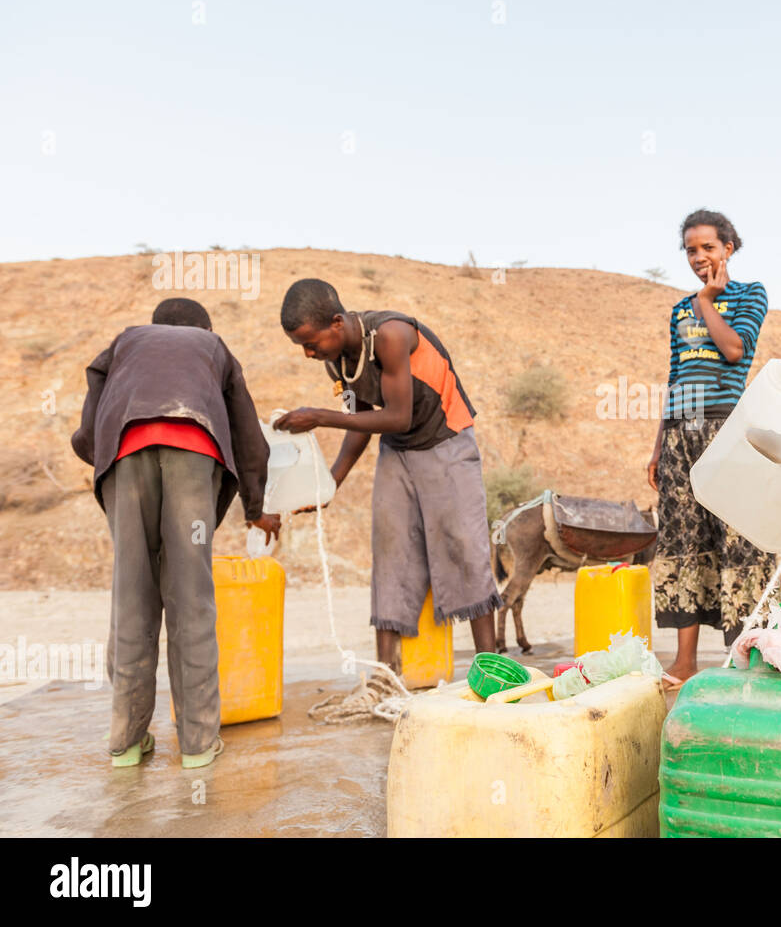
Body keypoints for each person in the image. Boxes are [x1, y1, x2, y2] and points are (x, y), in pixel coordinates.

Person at [71, 297, 278, 769]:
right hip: (194, 454)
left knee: (131, 597)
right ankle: (198, 745)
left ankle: (125, 743)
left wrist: (112, 459)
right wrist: (256, 508)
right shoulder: (213, 346)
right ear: (202, 329)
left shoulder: (125, 343)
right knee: (191, 597)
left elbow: (88, 431)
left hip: (126, 453)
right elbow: (250, 439)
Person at [276, 280, 503, 673]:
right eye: (301, 346)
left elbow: (399, 415)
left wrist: (319, 417)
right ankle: (387, 675)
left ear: (336, 322)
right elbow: (360, 421)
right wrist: (332, 483)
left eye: (311, 343)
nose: (309, 353)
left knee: (464, 546)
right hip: (397, 449)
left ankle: (494, 669)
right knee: (390, 551)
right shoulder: (338, 360)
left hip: (445, 440)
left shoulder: (391, 335)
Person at [648, 209, 777, 684]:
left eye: (707, 247)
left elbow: (735, 351)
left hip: (726, 430)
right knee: (683, 540)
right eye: (690, 249)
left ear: (728, 248)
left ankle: (745, 659)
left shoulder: (749, 295)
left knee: (738, 537)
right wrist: (659, 446)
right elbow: (675, 376)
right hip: (681, 434)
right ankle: (684, 662)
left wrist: (708, 299)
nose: (699, 256)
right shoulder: (680, 311)